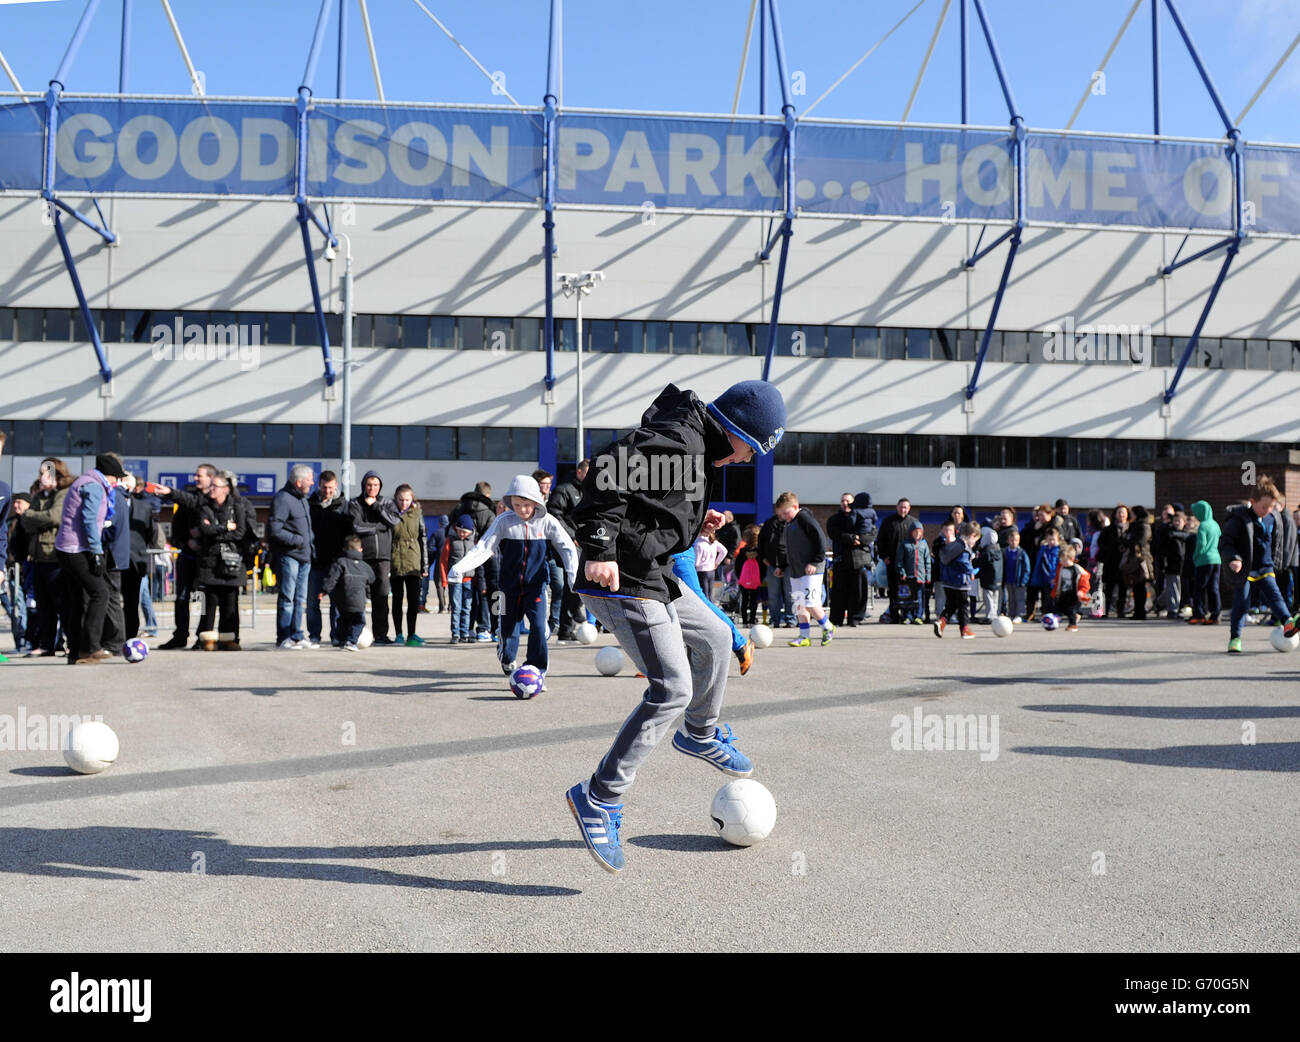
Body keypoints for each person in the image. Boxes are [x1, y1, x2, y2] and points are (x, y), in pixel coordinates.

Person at [565, 379, 786, 873]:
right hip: (621, 578)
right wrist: (599, 548)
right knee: (671, 689)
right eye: (750, 449)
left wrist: (690, 524)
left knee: (712, 637)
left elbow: (652, 502)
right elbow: (607, 472)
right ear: (734, 429)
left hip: (654, 571)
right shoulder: (681, 440)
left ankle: (699, 733)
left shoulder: (699, 450)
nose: (748, 460)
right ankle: (599, 797)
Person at [448, 475, 577, 678]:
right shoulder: (503, 521)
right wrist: (459, 567)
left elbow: (567, 547)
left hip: (536, 585)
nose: (522, 509)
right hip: (507, 587)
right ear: (510, 503)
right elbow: (483, 547)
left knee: (539, 626)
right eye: (517, 505)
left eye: (527, 504)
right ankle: (507, 658)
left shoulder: (547, 521)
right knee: (507, 627)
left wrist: (573, 575)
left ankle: (536, 669)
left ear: (536, 501)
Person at [54, 454, 125, 664]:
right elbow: (90, 520)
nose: (117, 482)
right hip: (77, 548)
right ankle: (90, 648)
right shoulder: (94, 486)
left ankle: (75, 651)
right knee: (100, 593)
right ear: (108, 475)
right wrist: (96, 551)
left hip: (67, 547)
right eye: (116, 477)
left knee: (80, 600)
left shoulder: (85, 481)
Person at [1222, 478, 1289, 653]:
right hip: (1245, 567)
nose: (1268, 511)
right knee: (1242, 602)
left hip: (1265, 566)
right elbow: (1227, 542)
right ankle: (1235, 638)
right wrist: (1234, 558)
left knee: (1275, 596)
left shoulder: (1272, 519)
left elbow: (1277, 542)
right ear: (1252, 502)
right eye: (1264, 507)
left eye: (1271, 507)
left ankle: (1288, 622)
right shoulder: (1239, 519)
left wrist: (1278, 561)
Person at [20, 458, 75, 656]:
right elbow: (25, 520)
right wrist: (32, 517)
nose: (40, 476)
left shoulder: (63, 493)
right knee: (44, 605)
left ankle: (71, 642)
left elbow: (54, 516)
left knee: (62, 603)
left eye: (43, 472)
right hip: (37, 557)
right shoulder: (39, 495)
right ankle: (46, 644)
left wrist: (32, 517)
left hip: (55, 557)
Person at [158, 464, 216, 649]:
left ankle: (202, 636)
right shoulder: (188, 500)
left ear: (210, 478)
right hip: (187, 557)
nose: (196, 479)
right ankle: (180, 635)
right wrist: (185, 542)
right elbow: (177, 529)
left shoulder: (213, 500)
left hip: (205, 560)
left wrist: (202, 541)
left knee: (201, 598)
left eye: (200, 476)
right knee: (182, 598)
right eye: (196, 476)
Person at [772, 492, 833, 647]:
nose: (784, 516)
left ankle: (827, 626)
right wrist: (781, 566)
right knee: (799, 604)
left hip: (812, 568)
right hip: (796, 569)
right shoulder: (788, 524)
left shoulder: (805, 518)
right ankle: (804, 636)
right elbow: (788, 549)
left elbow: (820, 538)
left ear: (795, 507)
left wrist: (815, 561)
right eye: (781, 514)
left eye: (786, 512)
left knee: (811, 602)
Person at [348, 470, 401, 645]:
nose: (372, 488)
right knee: (357, 597)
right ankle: (356, 634)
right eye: (369, 485)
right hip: (362, 556)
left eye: (376, 485)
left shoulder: (387, 502)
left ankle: (381, 634)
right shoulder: (355, 503)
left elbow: (394, 521)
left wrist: (376, 507)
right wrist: (378, 527)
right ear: (364, 485)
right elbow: (356, 526)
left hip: (382, 557)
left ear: (380, 486)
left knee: (381, 597)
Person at [270, 464, 315, 649]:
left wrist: (309, 542)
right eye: (309, 480)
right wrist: (297, 540)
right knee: (287, 598)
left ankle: (297, 635)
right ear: (299, 482)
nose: (312, 483)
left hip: (305, 557)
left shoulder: (302, 499)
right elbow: (274, 529)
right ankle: (283, 637)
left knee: (299, 599)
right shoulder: (283, 499)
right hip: (289, 555)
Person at [547, 460, 590, 641]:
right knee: (573, 583)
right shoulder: (564, 490)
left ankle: (566, 627)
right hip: (567, 545)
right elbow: (554, 515)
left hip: (584, 545)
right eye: (588, 472)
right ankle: (572, 614)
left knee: (574, 586)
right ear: (579, 472)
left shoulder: (590, 491)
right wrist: (571, 536)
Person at [307, 470, 349, 647]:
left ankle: (336, 635)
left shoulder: (343, 504)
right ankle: (314, 636)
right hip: (315, 561)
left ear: (336, 486)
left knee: (337, 603)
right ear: (319, 485)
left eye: (331, 488)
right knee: (312, 602)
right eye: (324, 487)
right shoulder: (309, 504)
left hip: (335, 562)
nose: (327, 491)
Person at [456, 481, 498, 642]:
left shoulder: (459, 508)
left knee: (467, 593)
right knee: (487, 592)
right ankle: (486, 627)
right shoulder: (488, 513)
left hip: (462, 555)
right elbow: (492, 537)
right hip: (483, 557)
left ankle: (465, 629)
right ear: (487, 495)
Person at [121, 475, 162, 640]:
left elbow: (152, 533)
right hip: (135, 558)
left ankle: (130, 635)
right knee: (131, 600)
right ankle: (127, 634)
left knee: (133, 599)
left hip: (135, 560)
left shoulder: (144, 507)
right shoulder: (144, 507)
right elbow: (151, 534)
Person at [390, 484, 428, 646]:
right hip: (395, 561)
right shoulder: (390, 513)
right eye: (400, 499)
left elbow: (423, 538)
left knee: (413, 601)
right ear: (395, 499)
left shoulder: (417, 514)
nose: (403, 503)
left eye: (407, 499)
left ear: (412, 499)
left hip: (414, 561)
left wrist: (425, 566)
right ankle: (398, 633)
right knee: (397, 600)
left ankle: (412, 633)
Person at [320, 534, 372, 651]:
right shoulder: (365, 566)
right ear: (361, 550)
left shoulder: (340, 562)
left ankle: (340, 639)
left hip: (342, 600)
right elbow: (369, 581)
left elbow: (332, 578)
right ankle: (352, 641)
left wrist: (324, 591)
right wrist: (369, 595)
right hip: (359, 602)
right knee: (359, 622)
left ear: (344, 549)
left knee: (343, 620)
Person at [827, 492, 870, 626]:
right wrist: (851, 538)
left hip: (858, 561)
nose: (845, 503)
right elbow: (834, 534)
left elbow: (869, 535)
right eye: (843, 501)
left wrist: (860, 539)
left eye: (848, 501)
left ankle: (855, 618)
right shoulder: (834, 519)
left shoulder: (862, 518)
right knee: (838, 592)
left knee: (858, 591)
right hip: (841, 560)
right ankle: (836, 619)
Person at [934, 521, 979, 639]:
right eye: (975, 540)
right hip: (960, 582)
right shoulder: (964, 547)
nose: (974, 544)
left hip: (947, 581)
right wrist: (970, 571)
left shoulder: (953, 545)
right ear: (972, 535)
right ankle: (964, 629)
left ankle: (941, 621)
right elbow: (963, 561)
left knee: (951, 605)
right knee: (964, 605)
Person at [439, 515, 479, 643]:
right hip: (455, 580)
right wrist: (444, 579)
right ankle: (455, 633)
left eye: (465, 532)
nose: (462, 534)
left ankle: (465, 632)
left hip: (468, 579)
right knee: (456, 607)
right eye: (460, 531)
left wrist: (477, 579)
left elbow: (477, 560)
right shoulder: (450, 540)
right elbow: (443, 561)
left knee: (467, 607)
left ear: (470, 531)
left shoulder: (474, 541)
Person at [876, 498, 913, 624]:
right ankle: (893, 614)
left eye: (906, 507)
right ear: (897, 507)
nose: (903, 509)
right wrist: (884, 556)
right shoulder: (888, 522)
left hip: (908, 564)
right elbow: (880, 541)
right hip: (891, 562)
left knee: (907, 589)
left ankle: (906, 615)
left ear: (909, 508)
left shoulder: (913, 523)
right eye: (901, 507)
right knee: (893, 589)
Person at [758, 507, 794, 627]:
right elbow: (761, 543)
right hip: (771, 565)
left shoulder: (791, 523)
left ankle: (791, 620)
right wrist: (764, 559)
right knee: (773, 595)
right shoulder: (769, 524)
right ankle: (775, 619)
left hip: (788, 565)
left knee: (790, 594)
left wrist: (786, 564)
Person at [896, 518, 930, 624]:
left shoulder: (924, 544)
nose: (917, 534)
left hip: (920, 576)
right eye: (915, 531)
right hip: (908, 577)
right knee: (907, 597)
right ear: (911, 532)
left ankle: (918, 616)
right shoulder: (904, 544)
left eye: (919, 532)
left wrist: (928, 575)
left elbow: (927, 560)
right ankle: (907, 616)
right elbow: (899, 560)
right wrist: (902, 572)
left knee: (919, 598)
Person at [1123, 506, 1154, 620]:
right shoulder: (1134, 526)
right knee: (1136, 587)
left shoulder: (1144, 526)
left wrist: (1128, 541)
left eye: (1132, 513)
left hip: (1141, 559)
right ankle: (1138, 611)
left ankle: (1141, 612)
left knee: (1141, 586)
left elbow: (1141, 541)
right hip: (1133, 558)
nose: (1130, 515)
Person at [1051, 544, 1091, 632]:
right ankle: (1055, 620)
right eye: (1062, 560)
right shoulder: (1061, 568)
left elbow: (1085, 582)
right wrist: (1055, 583)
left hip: (1074, 594)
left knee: (1070, 610)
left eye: (1065, 561)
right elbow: (1059, 579)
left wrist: (1082, 591)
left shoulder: (1077, 570)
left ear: (1072, 559)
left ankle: (1073, 624)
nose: (1063, 563)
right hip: (1063, 592)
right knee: (1059, 607)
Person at [1099, 504, 1130, 618]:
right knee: (1109, 589)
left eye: (1124, 512)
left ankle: (1120, 611)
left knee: (1123, 589)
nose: (1121, 515)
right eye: (1119, 512)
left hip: (1125, 563)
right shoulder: (1108, 530)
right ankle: (1105, 611)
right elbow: (1101, 543)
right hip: (1111, 563)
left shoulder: (1130, 529)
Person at [1162, 511, 1194, 620]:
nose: (1176, 523)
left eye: (1178, 521)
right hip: (1173, 566)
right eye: (1175, 521)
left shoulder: (1188, 535)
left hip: (1184, 567)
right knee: (1173, 588)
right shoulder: (1168, 534)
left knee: (1182, 589)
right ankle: (1172, 610)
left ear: (1184, 522)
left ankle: (1179, 607)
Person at [1031, 526, 1062, 619]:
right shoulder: (1043, 549)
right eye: (1049, 539)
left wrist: (1056, 577)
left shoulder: (1058, 550)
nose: (1051, 542)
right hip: (1045, 578)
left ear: (1058, 539)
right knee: (1046, 597)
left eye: (1053, 540)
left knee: (1055, 597)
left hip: (1055, 578)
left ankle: (1056, 613)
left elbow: (1059, 565)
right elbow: (1039, 563)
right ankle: (1047, 613)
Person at [736, 524, 764, 627]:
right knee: (754, 600)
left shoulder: (743, 551)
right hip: (756, 580)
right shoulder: (760, 551)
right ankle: (752, 620)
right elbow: (762, 566)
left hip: (744, 580)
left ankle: (744, 621)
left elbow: (737, 565)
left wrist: (739, 577)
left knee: (744, 600)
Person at [693, 522, 727, 603]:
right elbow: (724, 551)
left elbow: (697, 562)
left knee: (704, 595)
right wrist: (717, 562)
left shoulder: (698, 543)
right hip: (711, 571)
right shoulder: (713, 542)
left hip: (701, 571)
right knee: (710, 594)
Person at [975, 525, 1003, 623]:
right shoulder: (998, 550)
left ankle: (990, 616)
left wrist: (975, 560)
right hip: (997, 578)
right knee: (995, 598)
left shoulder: (987, 551)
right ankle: (995, 614)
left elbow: (979, 563)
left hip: (988, 579)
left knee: (988, 598)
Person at [1003, 527, 1030, 623]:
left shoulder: (1022, 553)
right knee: (1011, 599)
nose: (1014, 542)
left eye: (1016, 540)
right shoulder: (1006, 552)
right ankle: (1012, 614)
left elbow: (1027, 568)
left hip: (1019, 581)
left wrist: (1024, 580)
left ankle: (1020, 615)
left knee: (1020, 599)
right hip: (1009, 580)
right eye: (1012, 540)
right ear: (1008, 541)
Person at [424, 514, 449, 615]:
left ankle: (442, 606)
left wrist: (430, 560)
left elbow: (430, 548)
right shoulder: (452, 532)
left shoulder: (437, 532)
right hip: (452, 559)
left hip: (440, 559)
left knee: (439, 583)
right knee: (452, 583)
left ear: (439, 523)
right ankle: (452, 607)